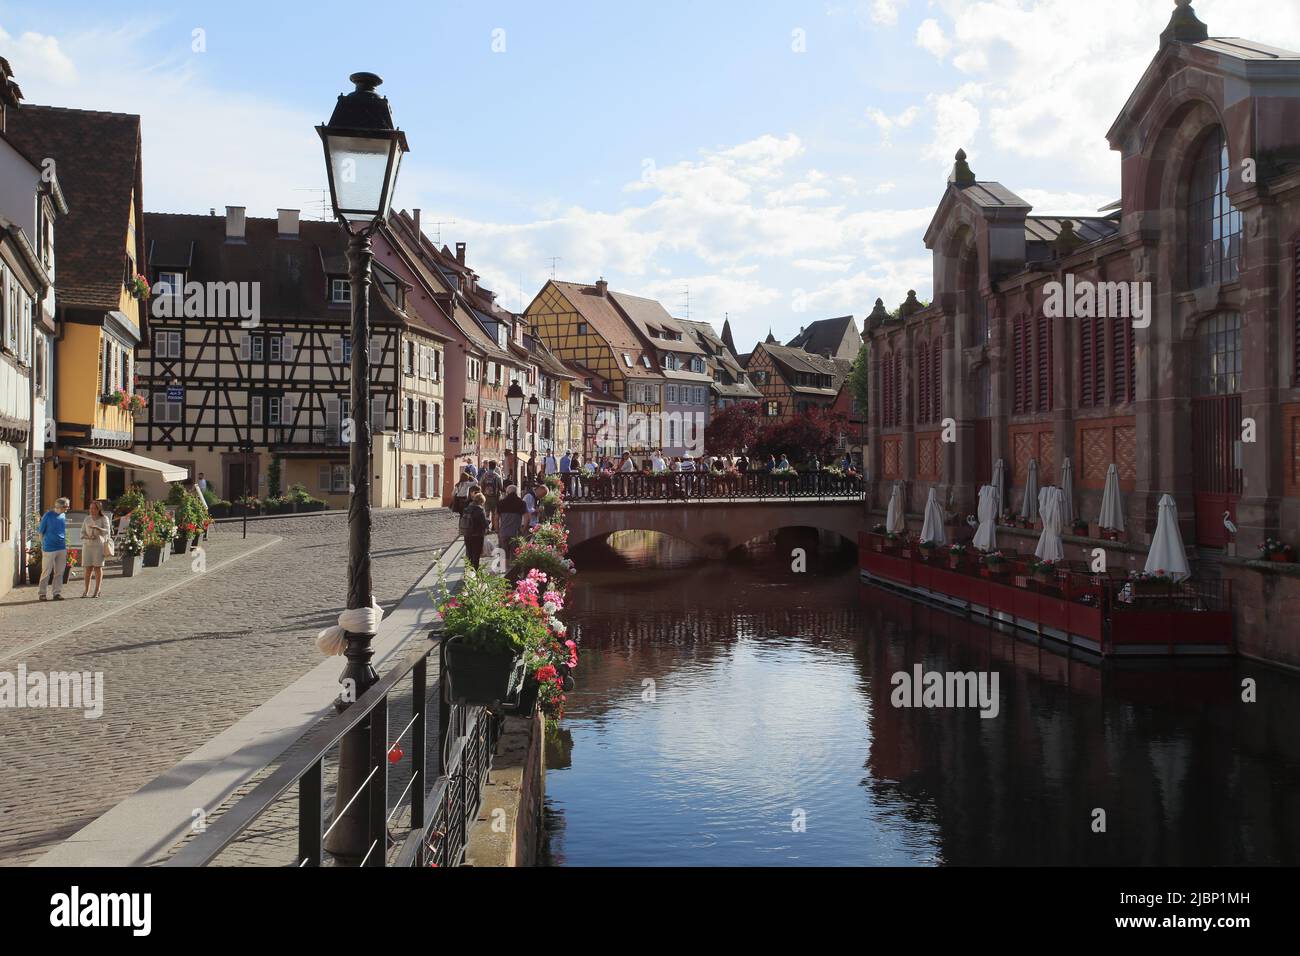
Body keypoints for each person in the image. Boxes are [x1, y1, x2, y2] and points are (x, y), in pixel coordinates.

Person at [37, 497, 70, 601]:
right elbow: (41, 532)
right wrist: (43, 545)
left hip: (61, 547)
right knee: (46, 571)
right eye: (66, 506)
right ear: (59, 506)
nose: (67, 508)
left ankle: (57, 593)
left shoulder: (63, 515)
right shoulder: (48, 515)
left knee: (59, 572)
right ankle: (42, 593)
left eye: (68, 506)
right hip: (49, 548)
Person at [80, 500, 112, 598]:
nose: (91, 510)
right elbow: (82, 533)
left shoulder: (104, 518)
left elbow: (107, 531)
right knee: (87, 568)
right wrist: (88, 537)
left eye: (94, 508)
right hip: (87, 546)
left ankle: (97, 590)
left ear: (99, 509)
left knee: (97, 568)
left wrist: (98, 528)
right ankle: (86, 590)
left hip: (99, 546)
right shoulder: (87, 519)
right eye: (90, 508)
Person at [497, 485, 528, 561]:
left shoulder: (501, 503)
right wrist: (523, 529)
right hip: (515, 533)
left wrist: (497, 530)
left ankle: (504, 570)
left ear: (507, 492)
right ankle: (513, 571)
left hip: (503, 532)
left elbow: (495, 518)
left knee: (503, 556)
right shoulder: (521, 503)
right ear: (516, 492)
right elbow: (527, 517)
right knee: (515, 556)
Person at [461, 491, 489, 570]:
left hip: (467, 534)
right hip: (477, 535)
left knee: (469, 553)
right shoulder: (479, 510)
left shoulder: (467, 509)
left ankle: (468, 571)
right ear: (481, 501)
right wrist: (488, 523)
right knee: (476, 554)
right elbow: (484, 523)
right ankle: (474, 572)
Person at [480, 461, 503, 531]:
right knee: (494, 512)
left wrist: (484, 492)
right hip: (495, 497)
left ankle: (486, 527)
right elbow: (501, 486)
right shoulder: (497, 476)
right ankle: (494, 526)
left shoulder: (484, 475)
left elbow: (481, 484)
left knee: (486, 512)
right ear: (495, 466)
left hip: (486, 496)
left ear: (489, 466)